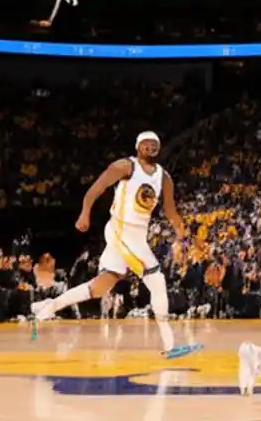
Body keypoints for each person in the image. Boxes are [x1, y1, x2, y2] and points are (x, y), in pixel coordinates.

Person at [30, 131, 200, 359]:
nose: (151, 147)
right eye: (146, 144)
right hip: (121, 230)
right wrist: (85, 212)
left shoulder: (163, 178)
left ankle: (48, 307)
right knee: (156, 278)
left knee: (100, 287)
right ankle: (170, 346)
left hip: (137, 235)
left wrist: (182, 230)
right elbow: (97, 188)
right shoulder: (125, 166)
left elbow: (170, 209)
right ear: (138, 146)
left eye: (155, 144)